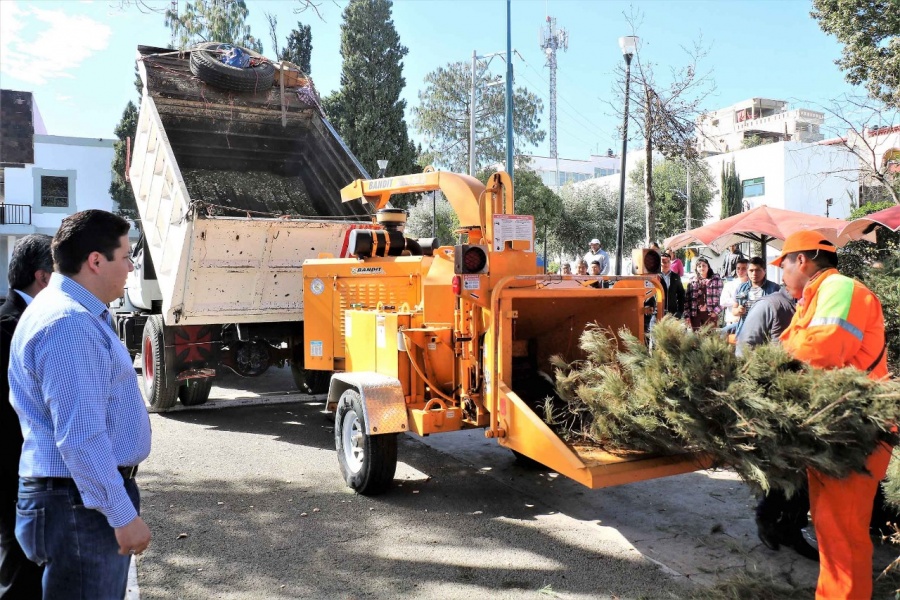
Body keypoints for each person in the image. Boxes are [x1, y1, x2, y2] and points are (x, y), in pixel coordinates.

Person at [8, 210, 152, 600]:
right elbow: (81, 436)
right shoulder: (69, 323)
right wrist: (122, 515)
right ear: (95, 261)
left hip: (73, 498)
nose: (129, 268)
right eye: (125, 257)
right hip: (78, 505)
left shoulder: (71, 312)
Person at [773, 231, 888, 600]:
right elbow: (791, 347)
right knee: (830, 530)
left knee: (843, 534)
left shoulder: (839, 287)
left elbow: (821, 349)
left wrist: (772, 364)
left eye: (783, 264)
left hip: (856, 432)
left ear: (802, 260)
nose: (781, 273)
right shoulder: (815, 297)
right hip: (836, 429)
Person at [733, 287, 818, 561]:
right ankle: (768, 520)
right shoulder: (769, 306)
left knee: (803, 469)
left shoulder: (811, 308)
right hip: (772, 404)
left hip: (803, 402)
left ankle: (792, 528)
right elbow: (743, 353)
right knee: (785, 467)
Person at [1, 235, 53, 598]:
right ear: (43, 278)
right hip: (15, 469)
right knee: (21, 573)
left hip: (25, 469)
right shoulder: (13, 326)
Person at [732, 256, 780, 336]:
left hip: (765, 333)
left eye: (758, 270)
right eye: (751, 270)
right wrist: (738, 311)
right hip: (744, 331)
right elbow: (734, 310)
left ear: (764, 271)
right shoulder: (741, 288)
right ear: (747, 271)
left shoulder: (774, 288)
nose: (754, 273)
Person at [683, 257, 722, 330]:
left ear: (708, 267)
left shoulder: (716, 280)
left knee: (710, 338)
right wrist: (687, 315)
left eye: (704, 265)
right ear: (696, 268)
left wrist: (716, 311)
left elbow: (723, 298)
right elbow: (687, 300)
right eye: (699, 266)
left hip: (710, 314)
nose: (701, 268)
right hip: (695, 314)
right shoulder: (692, 281)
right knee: (696, 338)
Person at [719, 257, 749, 335]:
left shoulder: (752, 285)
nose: (740, 271)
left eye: (743, 268)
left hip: (747, 322)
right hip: (732, 321)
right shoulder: (729, 284)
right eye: (738, 268)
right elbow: (723, 301)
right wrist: (738, 301)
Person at [659, 253, 684, 318]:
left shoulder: (675, 277)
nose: (666, 264)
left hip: (672, 313)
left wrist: (680, 311)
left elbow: (681, 294)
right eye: (663, 262)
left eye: (668, 262)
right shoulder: (655, 277)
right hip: (657, 313)